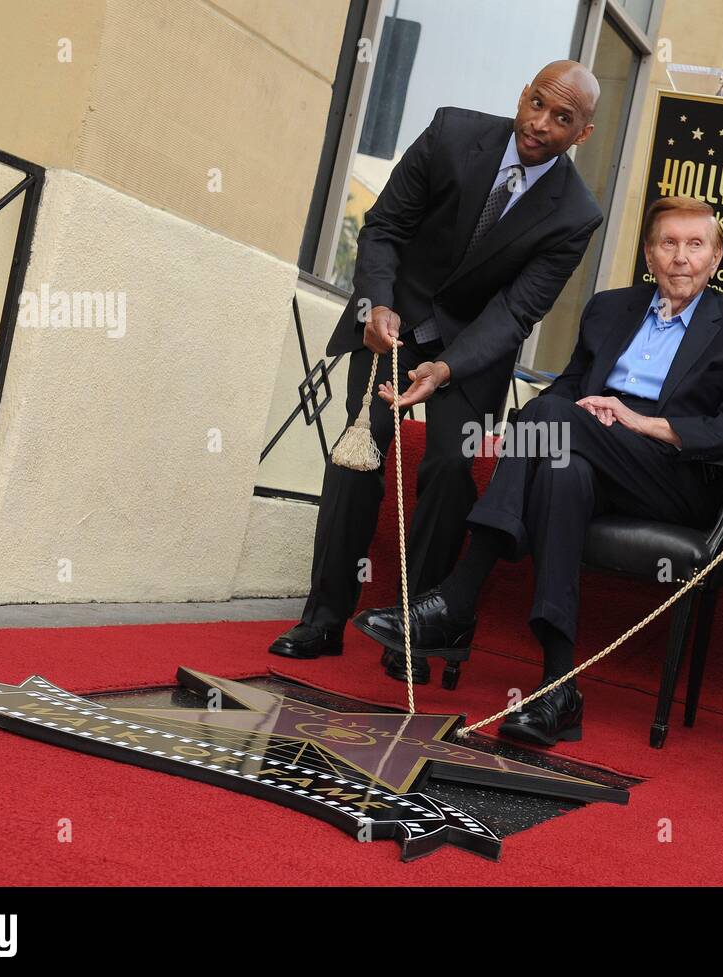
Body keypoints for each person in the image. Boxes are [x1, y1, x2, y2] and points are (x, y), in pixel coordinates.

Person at [352, 196, 723, 745]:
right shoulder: (608, 308)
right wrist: (589, 419)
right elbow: (572, 389)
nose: (681, 257)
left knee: (546, 418)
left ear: (716, 259)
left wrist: (643, 424)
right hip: (590, 453)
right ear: (649, 254)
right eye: (668, 243)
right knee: (560, 468)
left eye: (696, 245)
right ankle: (558, 688)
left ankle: (459, 599)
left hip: (675, 472)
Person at [269, 62, 605, 682]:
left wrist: (447, 367)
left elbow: (516, 311)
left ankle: (413, 632)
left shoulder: (576, 214)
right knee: (358, 453)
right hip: (392, 315)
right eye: (536, 104)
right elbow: (385, 227)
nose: (540, 124)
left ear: (581, 134)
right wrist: (376, 305)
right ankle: (323, 617)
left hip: (472, 349)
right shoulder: (452, 132)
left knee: (450, 468)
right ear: (521, 93)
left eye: (562, 118)